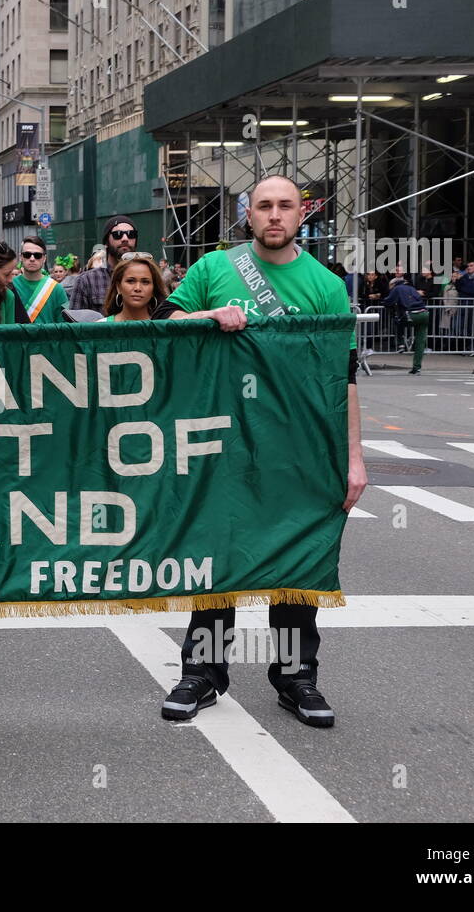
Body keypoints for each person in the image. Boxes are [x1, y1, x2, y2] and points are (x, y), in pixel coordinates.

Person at [154, 174, 366, 729]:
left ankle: (297, 678)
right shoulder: (213, 269)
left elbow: (343, 380)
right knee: (219, 554)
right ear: (247, 215)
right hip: (222, 443)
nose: (274, 215)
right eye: (263, 206)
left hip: (300, 449)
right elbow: (164, 326)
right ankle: (202, 673)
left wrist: (354, 459)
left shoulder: (326, 285)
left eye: (285, 206)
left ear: (303, 214)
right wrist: (209, 316)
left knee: (298, 559)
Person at [66, 216, 139, 312]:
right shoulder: (86, 280)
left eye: (131, 234)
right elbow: (75, 324)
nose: (125, 238)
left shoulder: (149, 277)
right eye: (117, 234)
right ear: (106, 242)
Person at [13, 235, 69, 323]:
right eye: (27, 255)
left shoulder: (56, 289)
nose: (32, 259)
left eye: (37, 255)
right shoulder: (9, 286)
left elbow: (64, 326)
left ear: (44, 258)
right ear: (21, 257)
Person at [383, 276, 429, 374]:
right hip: (424, 313)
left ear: (393, 284)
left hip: (411, 314)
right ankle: (417, 367)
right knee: (420, 341)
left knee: (398, 322)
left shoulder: (397, 289)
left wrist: (388, 305)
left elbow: (388, 301)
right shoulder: (412, 288)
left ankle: (400, 344)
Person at [99, 254, 166, 322]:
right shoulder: (101, 326)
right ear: (118, 287)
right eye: (130, 281)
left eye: (145, 282)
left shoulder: (163, 329)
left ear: (154, 289)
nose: (137, 288)